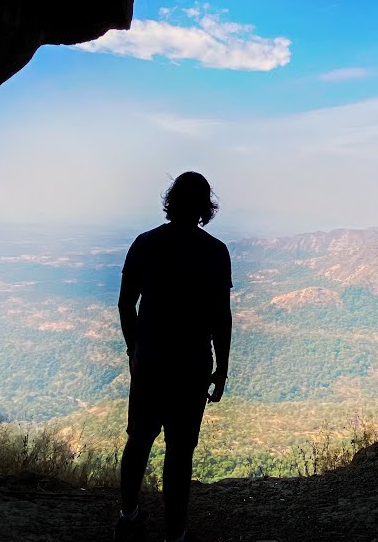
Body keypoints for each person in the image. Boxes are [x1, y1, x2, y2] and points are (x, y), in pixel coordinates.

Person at [115, 171, 233, 542]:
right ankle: (175, 535)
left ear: (171, 200)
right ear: (204, 208)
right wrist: (221, 368)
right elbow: (221, 317)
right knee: (180, 452)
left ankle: (128, 516)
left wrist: (135, 349)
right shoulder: (215, 251)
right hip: (191, 363)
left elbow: (124, 304)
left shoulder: (145, 243)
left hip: (149, 361)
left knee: (139, 439)